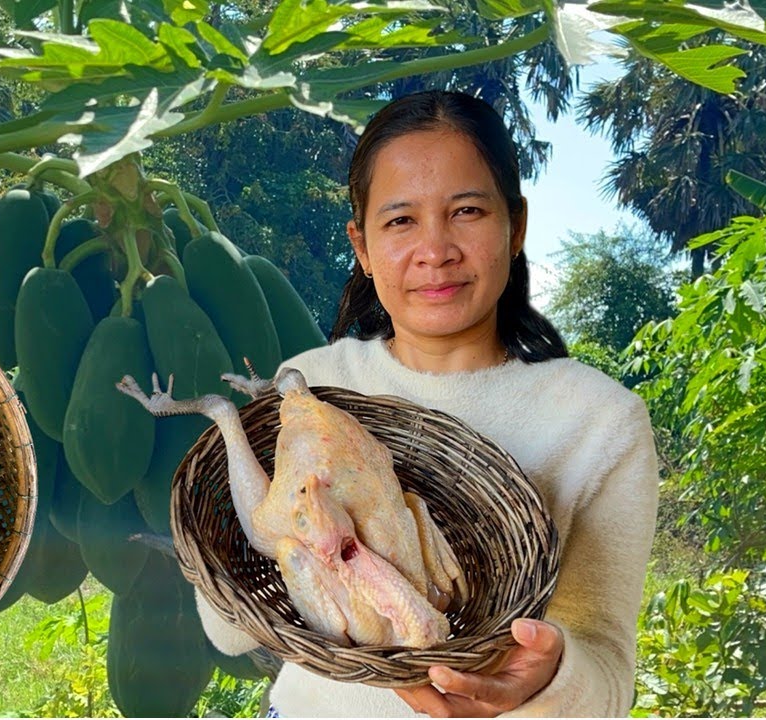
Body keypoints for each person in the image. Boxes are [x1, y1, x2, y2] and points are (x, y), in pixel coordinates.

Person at [194, 89, 661, 717]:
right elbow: (230, 629)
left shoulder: (599, 422)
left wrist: (551, 679)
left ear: (514, 226)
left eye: (466, 211)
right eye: (400, 220)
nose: (435, 250)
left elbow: (606, 670)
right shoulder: (308, 383)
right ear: (361, 247)